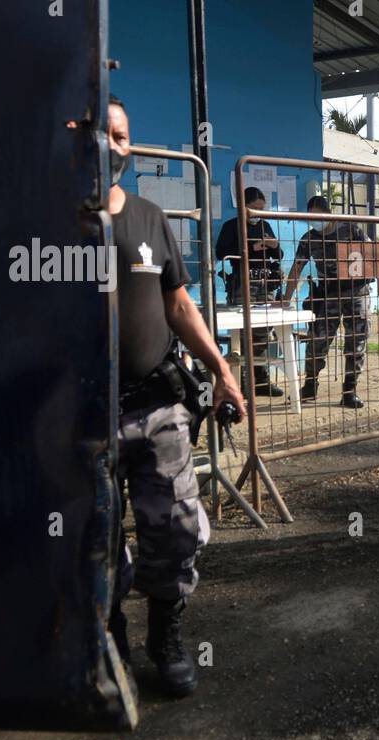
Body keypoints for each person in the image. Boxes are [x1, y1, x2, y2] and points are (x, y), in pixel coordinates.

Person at [106, 94, 245, 698]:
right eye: (106, 134)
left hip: (157, 405)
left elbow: (178, 304)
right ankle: (109, 644)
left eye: (123, 136)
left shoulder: (146, 216)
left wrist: (222, 370)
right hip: (80, 420)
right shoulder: (45, 222)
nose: (119, 146)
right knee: (92, 538)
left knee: (177, 529)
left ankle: (166, 639)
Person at [284, 195, 379, 408]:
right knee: (317, 341)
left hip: (357, 292)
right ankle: (309, 386)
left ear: (328, 214)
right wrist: (286, 298)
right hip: (328, 294)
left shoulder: (350, 229)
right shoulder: (309, 239)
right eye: (310, 217)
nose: (315, 221)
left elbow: (373, 253)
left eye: (318, 216)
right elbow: (297, 268)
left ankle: (350, 391)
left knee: (356, 343)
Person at [215, 186, 284, 396]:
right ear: (243, 207)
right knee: (243, 332)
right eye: (255, 209)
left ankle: (261, 382)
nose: (257, 214)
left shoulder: (265, 225)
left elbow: (279, 254)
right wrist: (249, 249)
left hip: (265, 282)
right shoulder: (231, 226)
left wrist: (273, 245)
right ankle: (242, 382)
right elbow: (220, 253)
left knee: (263, 331)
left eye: (261, 209)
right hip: (242, 282)